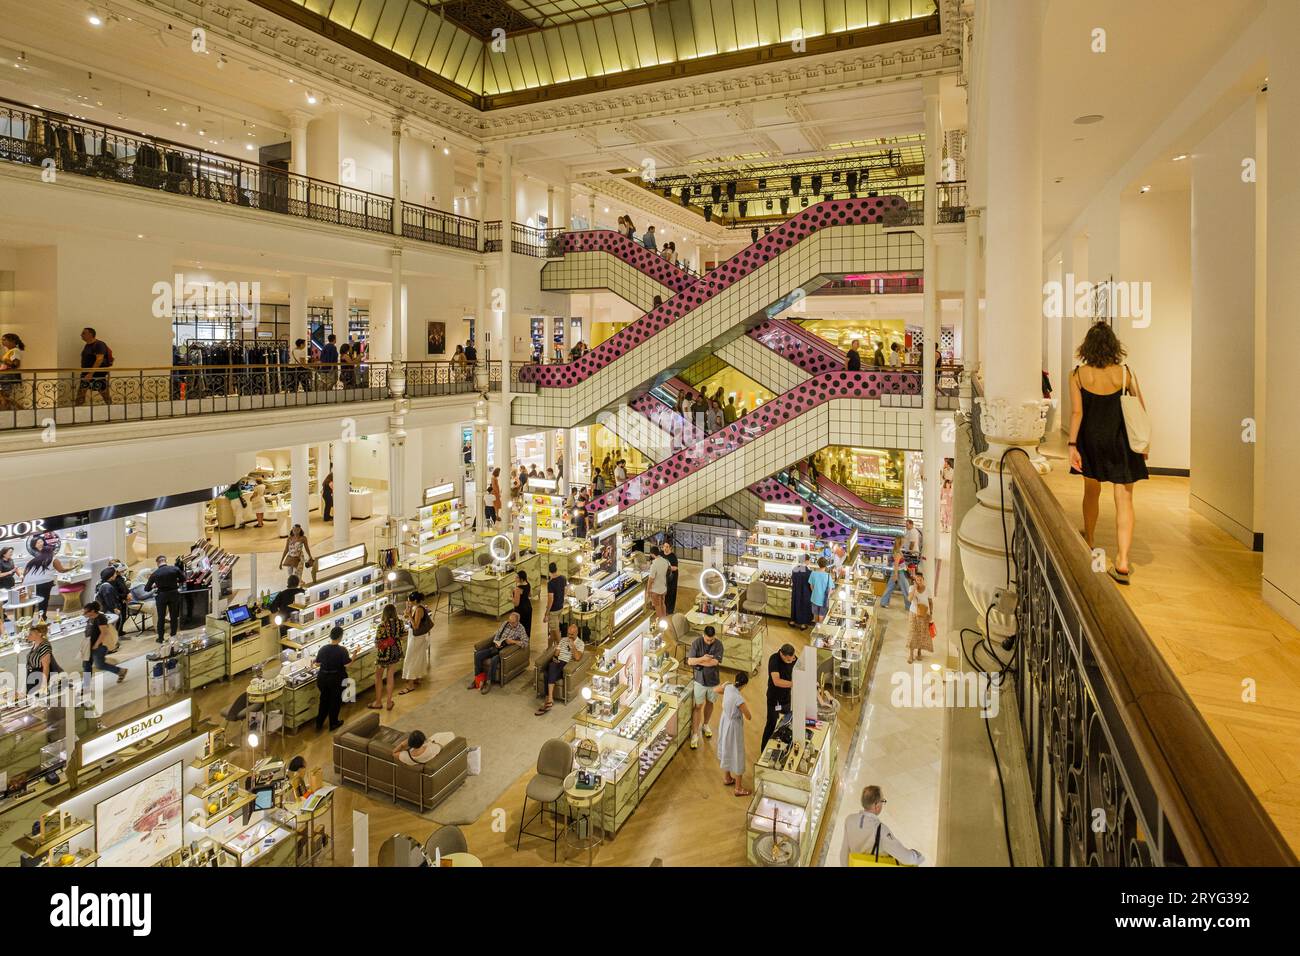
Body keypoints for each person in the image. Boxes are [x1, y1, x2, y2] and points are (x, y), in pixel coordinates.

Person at [1068, 322, 1149, 585]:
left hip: (1091, 440)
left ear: (1087, 347)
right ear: (1114, 345)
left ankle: (1090, 540)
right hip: (1121, 440)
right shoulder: (1125, 373)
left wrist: (1072, 446)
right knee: (1124, 500)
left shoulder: (1078, 375)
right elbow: (1140, 409)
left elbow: (1077, 413)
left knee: (1091, 492)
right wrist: (1144, 444)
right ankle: (1123, 561)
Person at [840, 785, 925, 866]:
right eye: (882, 801)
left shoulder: (850, 820)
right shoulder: (880, 830)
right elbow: (907, 859)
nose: (882, 804)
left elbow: (844, 853)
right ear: (876, 805)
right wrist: (917, 855)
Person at [470, 611, 528, 694]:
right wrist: (496, 642)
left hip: (504, 652)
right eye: (509, 621)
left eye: (512, 622)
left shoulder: (520, 629)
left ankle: (488, 682)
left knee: (494, 659)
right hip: (496, 647)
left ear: (517, 621)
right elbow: (497, 634)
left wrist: (513, 641)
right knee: (478, 655)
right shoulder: (505, 624)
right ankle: (478, 680)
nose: (510, 624)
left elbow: (525, 643)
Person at [687, 625, 724, 749]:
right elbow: (689, 662)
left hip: (713, 681)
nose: (709, 642)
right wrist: (703, 658)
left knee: (710, 703)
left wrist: (698, 661)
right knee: (698, 706)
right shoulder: (696, 643)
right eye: (707, 640)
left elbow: (715, 662)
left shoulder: (719, 645)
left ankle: (706, 724)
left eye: (711, 640)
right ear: (703, 635)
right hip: (699, 681)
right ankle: (695, 734)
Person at [536, 621, 584, 715]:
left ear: (576, 633)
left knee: (550, 669)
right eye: (568, 634)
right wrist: (555, 657)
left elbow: (577, 657)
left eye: (572, 634)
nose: (569, 636)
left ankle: (549, 698)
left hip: (565, 664)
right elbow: (557, 653)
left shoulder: (580, 643)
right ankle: (549, 699)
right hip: (558, 662)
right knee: (549, 670)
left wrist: (573, 645)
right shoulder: (563, 640)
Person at [717, 671, 753, 796]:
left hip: (725, 720)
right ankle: (738, 788)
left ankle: (727, 777)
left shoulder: (728, 687)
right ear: (744, 685)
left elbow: (717, 690)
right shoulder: (739, 698)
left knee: (726, 747)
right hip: (734, 726)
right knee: (738, 753)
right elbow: (749, 716)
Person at [314, 624, 351, 731]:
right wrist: (354, 655)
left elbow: (317, 664)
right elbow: (347, 664)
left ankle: (319, 723)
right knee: (335, 701)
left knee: (324, 700)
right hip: (336, 679)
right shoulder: (342, 650)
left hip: (323, 678)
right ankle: (333, 723)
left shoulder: (323, 649)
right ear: (340, 637)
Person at [368, 603, 404, 711]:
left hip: (384, 654)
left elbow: (377, 643)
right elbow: (402, 635)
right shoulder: (400, 622)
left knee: (378, 677)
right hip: (396, 651)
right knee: (390, 676)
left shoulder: (382, 625)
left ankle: (378, 702)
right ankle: (389, 702)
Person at [81, 602, 126, 685]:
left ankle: (120, 671)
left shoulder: (100, 618)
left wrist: (96, 644)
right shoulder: (91, 618)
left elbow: (104, 632)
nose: (84, 614)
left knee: (100, 665)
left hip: (99, 646)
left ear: (93, 611)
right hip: (89, 646)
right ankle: (86, 685)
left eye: (86, 612)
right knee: (86, 665)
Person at [761, 644, 797, 750]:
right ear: (782, 654)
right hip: (774, 699)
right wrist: (794, 684)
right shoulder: (774, 660)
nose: (791, 661)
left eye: (793, 658)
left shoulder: (793, 658)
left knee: (788, 721)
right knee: (771, 724)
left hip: (787, 698)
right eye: (788, 660)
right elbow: (776, 681)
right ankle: (763, 750)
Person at [145, 554, 184, 643]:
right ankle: (173, 635)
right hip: (174, 594)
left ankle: (161, 638)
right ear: (165, 561)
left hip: (161, 596)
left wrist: (155, 586)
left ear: (157, 563)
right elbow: (183, 579)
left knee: (161, 617)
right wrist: (175, 581)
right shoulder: (175, 569)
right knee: (173, 616)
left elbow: (146, 589)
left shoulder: (155, 574)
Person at [400, 591, 433, 694]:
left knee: (411, 659)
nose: (408, 602)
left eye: (409, 600)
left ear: (414, 600)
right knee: (418, 657)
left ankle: (410, 685)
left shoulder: (418, 610)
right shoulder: (416, 607)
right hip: (417, 637)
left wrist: (409, 615)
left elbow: (416, 626)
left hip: (417, 638)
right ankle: (417, 678)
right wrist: (408, 614)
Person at [75, 327, 112, 406]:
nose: (81, 335)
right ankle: (76, 412)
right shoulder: (87, 345)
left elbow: (99, 359)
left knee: (105, 396)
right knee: (80, 395)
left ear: (90, 334)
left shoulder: (99, 344)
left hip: (97, 375)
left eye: (84, 333)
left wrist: (91, 373)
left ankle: (112, 410)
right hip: (86, 374)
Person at [24, 622, 61, 694]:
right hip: (31, 676)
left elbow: (46, 667)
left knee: (38, 699)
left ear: (39, 634)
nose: (28, 636)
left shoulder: (45, 646)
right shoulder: (35, 644)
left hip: (38, 676)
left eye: (31, 634)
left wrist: (43, 684)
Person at [906, 572, 933, 664]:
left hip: (924, 614)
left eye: (920, 579)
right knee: (912, 633)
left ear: (923, 580)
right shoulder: (911, 588)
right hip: (913, 613)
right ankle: (911, 654)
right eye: (917, 580)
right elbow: (909, 599)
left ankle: (919, 651)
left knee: (921, 633)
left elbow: (930, 602)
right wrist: (914, 588)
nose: (919, 581)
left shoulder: (927, 590)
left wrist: (931, 614)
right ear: (915, 581)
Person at [879, 541, 911, 611]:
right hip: (899, 573)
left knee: (890, 587)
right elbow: (896, 564)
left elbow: (899, 563)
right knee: (906, 589)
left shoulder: (897, 551)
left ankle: (884, 602)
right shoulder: (897, 552)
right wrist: (896, 575)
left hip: (897, 572)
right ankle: (908, 606)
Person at [0, 332, 24, 410]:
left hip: (7, 376)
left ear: (12, 341)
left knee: (5, 395)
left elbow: (15, 364)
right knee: (3, 395)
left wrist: (2, 361)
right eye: (2, 340)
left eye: (4, 340)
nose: (2, 342)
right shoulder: (10, 351)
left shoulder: (15, 351)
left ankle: (13, 409)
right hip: (4, 376)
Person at [545, 562, 567, 644]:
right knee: (552, 630)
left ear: (549, 571)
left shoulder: (550, 583)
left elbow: (550, 600)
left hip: (553, 610)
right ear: (556, 568)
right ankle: (550, 648)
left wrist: (546, 613)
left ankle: (561, 650)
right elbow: (565, 592)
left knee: (556, 631)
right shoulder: (563, 578)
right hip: (560, 607)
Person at [789, 556, 813, 630]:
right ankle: (802, 624)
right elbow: (811, 584)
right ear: (806, 561)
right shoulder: (809, 572)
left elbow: (793, 580)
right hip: (805, 592)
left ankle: (792, 621)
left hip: (796, 591)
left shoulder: (795, 569)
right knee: (804, 607)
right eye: (809, 560)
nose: (809, 562)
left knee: (795, 605)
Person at [647, 546, 670, 621]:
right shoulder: (665, 561)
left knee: (657, 606)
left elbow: (651, 579)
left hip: (656, 590)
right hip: (663, 587)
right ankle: (665, 619)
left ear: (652, 554)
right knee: (663, 604)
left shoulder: (654, 565)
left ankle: (661, 621)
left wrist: (648, 590)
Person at [809, 557, 832, 624]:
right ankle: (820, 630)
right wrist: (828, 596)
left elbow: (811, 586)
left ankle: (816, 628)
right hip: (823, 600)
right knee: (821, 615)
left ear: (818, 564)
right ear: (826, 565)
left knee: (815, 615)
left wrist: (815, 592)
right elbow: (830, 589)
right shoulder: (828, 576)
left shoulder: (813, 573)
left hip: (815, 598)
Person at [512, 569, 533, 639]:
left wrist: (511, 598)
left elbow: (516, 604)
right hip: (528, 607)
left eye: (517, 577)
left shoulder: (518, 589)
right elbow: (530, 595)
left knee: (519, 627)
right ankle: (527, 640)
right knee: (527, 626)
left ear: (521, 579)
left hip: (521, 610)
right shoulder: (528, 584)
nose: (515, 578)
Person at [661, 539, 679, 614]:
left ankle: (670, 610)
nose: (665, 548)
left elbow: (675, 568)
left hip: (672, 578)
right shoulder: (661, 554)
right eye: (664, 546)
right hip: (663, 578)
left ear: (670, 548)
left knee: (671, 593)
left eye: (667, 547)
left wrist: (667, 567)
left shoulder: (673, 557)